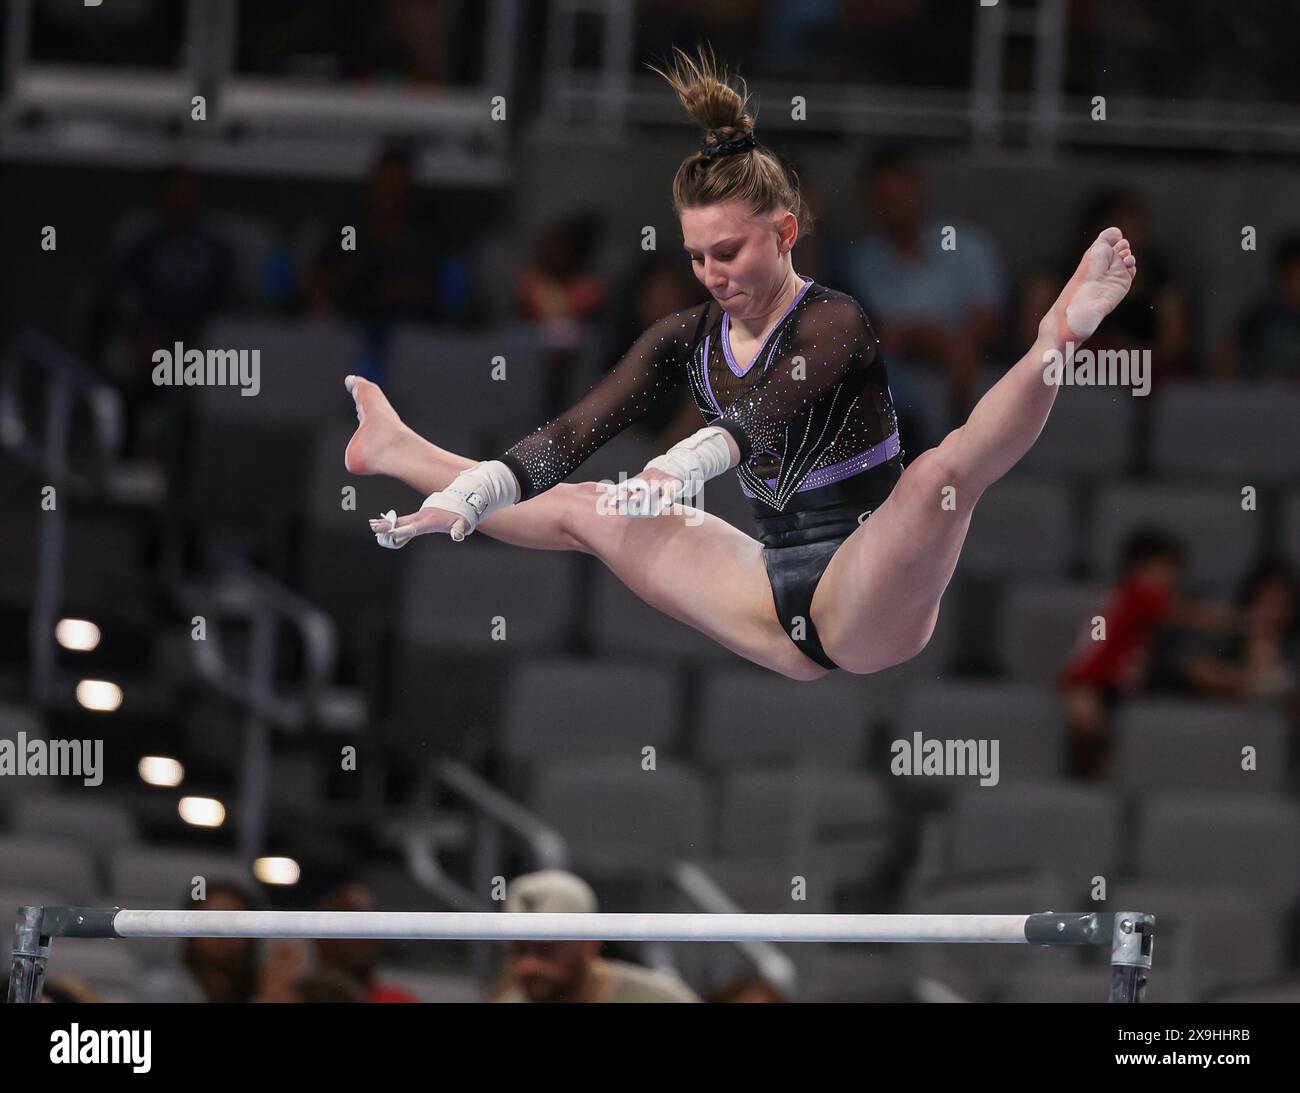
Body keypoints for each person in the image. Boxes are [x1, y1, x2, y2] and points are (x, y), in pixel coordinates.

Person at [344, 43, 1137, 682]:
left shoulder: (835, 320)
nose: (711, 274)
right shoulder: (681, 337)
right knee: (587, 507)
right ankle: (397, 449)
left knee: (939, 476)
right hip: (765, 590)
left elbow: (768, 412)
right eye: (695, 257)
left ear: (785, 233)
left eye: (727, 251)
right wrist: (475, 495)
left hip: (868, 592)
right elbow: (571, 434)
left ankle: (1057, 337)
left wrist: (685, 462)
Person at [490, 870, 699, 1003]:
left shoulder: (661, 999)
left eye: (546, 949)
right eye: (519, 950)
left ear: (590, 943)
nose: (528, 965)